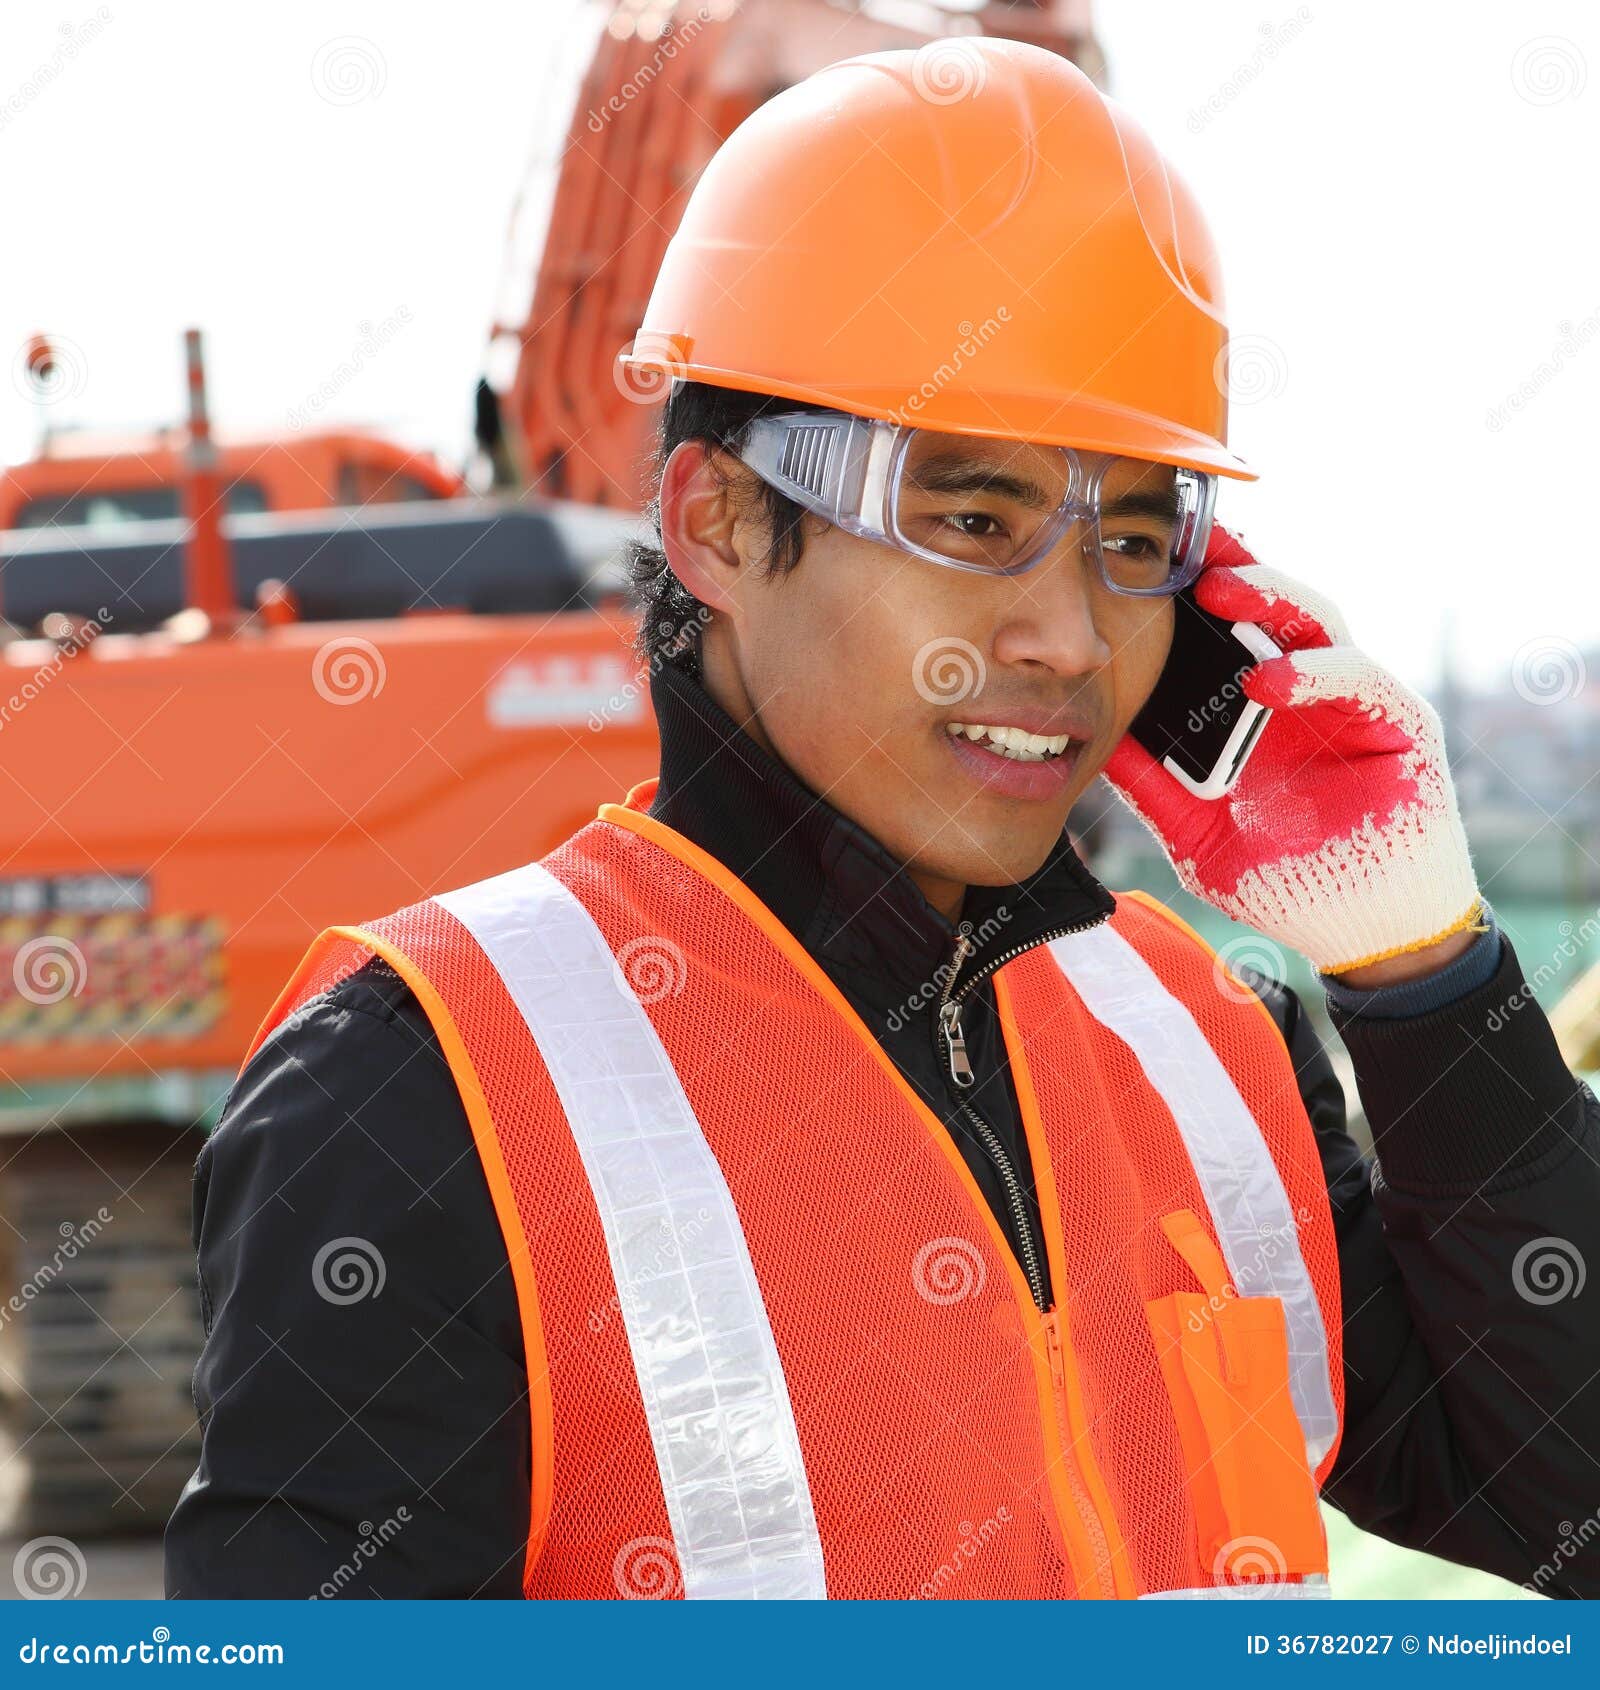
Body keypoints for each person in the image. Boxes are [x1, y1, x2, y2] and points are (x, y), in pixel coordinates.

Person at [166, 38, 1600, 1600]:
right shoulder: (422, 1087)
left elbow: (1567, 1507)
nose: (1068, 635)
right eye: (973, 518)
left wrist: (1426, 971)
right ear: (718, 523)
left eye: (1131, 538)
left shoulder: (1206, 1040)